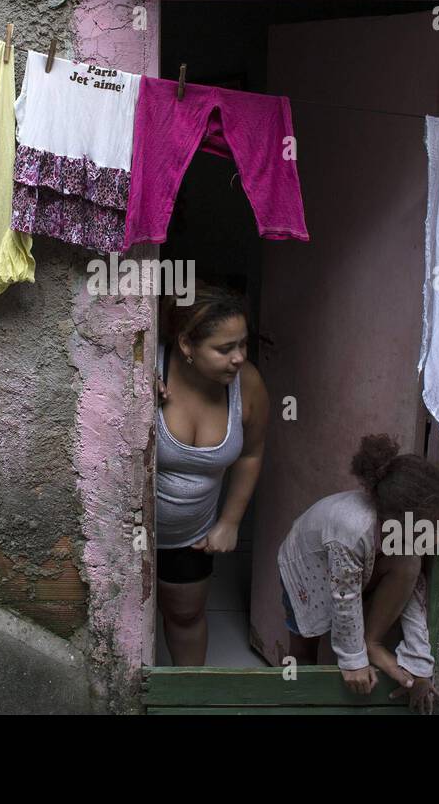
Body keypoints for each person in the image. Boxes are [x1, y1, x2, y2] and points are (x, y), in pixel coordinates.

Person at [277, 433, 439, 712]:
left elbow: (413, 596)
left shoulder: (403, 534)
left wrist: (421, 668)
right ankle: (295, 700)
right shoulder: (351, 530)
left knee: (409, 563)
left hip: (356, 566)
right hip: (307, 569)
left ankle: (371, 642)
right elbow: (344, 598)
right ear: (409, 521)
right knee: (303, 647)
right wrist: (353, 662)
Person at [154, 284, 268, 666]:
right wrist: (133, 393)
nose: (238, 358)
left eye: (243, 344)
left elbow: (251, 453)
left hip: (190, 537)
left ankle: (187, 703)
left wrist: (230, 522)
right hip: (126, 533)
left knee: (185, 615)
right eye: (224, 349)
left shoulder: (247, 384)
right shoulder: (146, 369)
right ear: (187, 345)